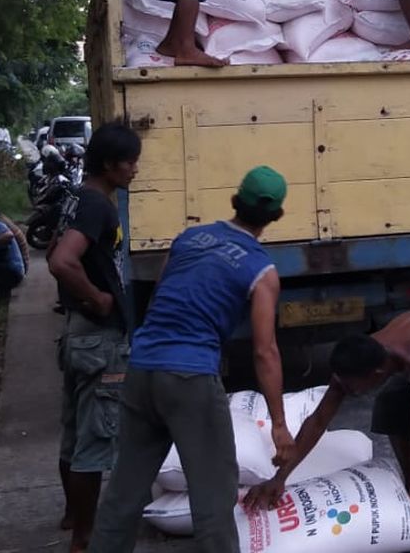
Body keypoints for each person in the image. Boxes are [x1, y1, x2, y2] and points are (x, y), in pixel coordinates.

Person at [90, 166, 293, 553]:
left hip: (143, 368)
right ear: (275, 216)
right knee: (213, 496)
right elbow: (265, 351)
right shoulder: (261, 270)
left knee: (125, 491)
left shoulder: (189, 238)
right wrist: (279, 424)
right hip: (191, 377)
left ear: (235, 200)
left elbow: (161, 297)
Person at [244, 304, 410, 545]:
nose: (346, 391)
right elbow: (319, 419)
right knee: (388, 404)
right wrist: (280, 477)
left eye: (351, 388)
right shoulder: (360, 358)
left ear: (375, 375)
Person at [47, 122, 143, 553]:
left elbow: (56, 252)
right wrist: (99, 298)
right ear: (108, 164)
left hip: (78, 334)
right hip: (98, 339)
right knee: (97, 438)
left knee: (74, 429)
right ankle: (86, 539)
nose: (135, 170)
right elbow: (62, 261)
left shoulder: (77, 198)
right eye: (129, 162)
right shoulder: (97, 206)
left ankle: (72, 516)